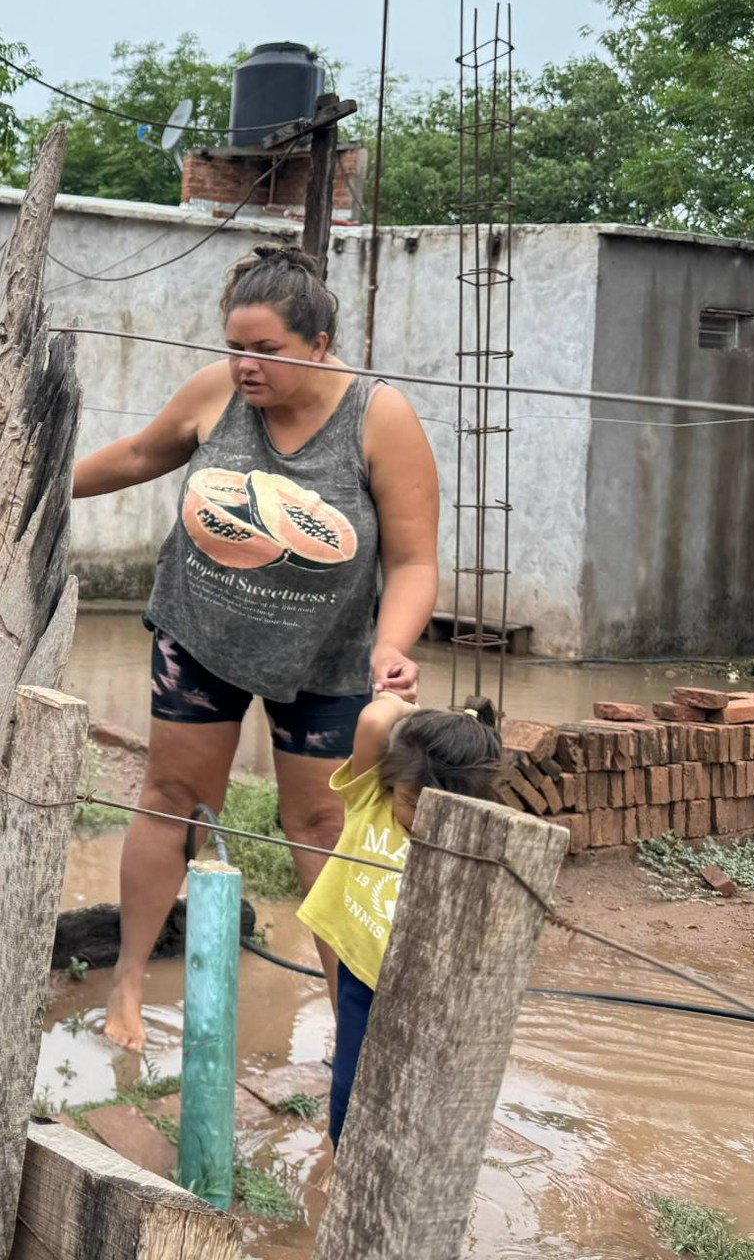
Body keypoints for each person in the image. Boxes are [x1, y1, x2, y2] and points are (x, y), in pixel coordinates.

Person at [73, 244, 440, 1051]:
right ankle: (129, 984)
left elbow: (412, 561)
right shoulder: (217, 395)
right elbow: (140, 454)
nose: (245, 365)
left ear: (319, 342)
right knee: (172, 799)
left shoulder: (380, 418)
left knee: (320, 822)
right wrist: (40, 478)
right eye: (234, 346)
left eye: (265, 350)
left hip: (327, 658)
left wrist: (393, 649)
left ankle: (353, 1034)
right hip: (201, 635)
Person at [297, 693, 503, 1144]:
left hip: (421, 986)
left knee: (415, 1090)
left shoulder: (462, 842)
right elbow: (375, 716)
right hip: (360, 975)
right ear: (390, 785)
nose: (415, 815)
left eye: (433, 806)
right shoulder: (370, 797)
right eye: (409, 800)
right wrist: (429, 720)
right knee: (349, 1085)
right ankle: (341, 1160)